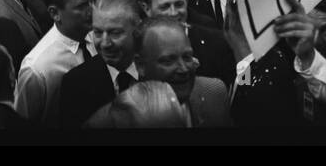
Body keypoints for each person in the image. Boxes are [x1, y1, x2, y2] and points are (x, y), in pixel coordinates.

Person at [96, 17, 232, 128]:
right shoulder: (116, 120)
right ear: (141, 65)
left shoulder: (214, 93)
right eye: (168, 61)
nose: (183, 69)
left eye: (187, 57)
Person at [13, 0, 95, 127]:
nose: (92, 10)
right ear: (55, 13)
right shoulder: (37, 69)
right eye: (82, 6)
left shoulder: (98, 36)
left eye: (93, 1)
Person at [58, 0, 143, 128]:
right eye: (97, 32)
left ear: (138, 29)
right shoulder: (75, 84)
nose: (104, 43)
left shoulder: (159, 70)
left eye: (114, 33)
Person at [142, 0, 236, 88]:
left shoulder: (218, 43)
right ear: (146, 8)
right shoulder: (139, 45)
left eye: (179, 4)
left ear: (187, 0)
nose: (173, 13)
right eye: (165, 7)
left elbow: (243, 77)